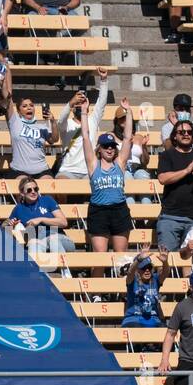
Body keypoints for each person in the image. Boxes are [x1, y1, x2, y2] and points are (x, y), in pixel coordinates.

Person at [155, 118, 193, 252]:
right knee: (166, 260)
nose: (186, 134)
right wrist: (186, 170)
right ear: (175, 136)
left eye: (189, 132)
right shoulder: (167, 155)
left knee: (189, 262)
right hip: (170, 217)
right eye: (182, 132)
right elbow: (162, 178)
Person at [83, 116, 134, 254]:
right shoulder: (93, 164)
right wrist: (83, 112)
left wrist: (128, 111)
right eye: (106, 146)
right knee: (100, 256)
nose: (110, 149)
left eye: (112, 146)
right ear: (99, 149)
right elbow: (86, 137)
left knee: (121, 256)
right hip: (98, 211)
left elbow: (128, 138)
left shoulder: (120, 162)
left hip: (119, 210)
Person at [0, 68, 59, 179]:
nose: (29, 108)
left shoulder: (41, 127)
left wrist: (53, 123)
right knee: (24, 186)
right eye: (24, 106)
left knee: (50, 185)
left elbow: (54, 140)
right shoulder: (15, 121)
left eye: (31, 105)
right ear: (19, 110)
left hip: (42, 170)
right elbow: (8, 98)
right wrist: (3, 84)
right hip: (20, 171)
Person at [55, 68, 110, 179]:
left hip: (89, 170)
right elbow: (60, 122)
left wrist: (103, 80)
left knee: (97, 184)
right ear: (73, 109)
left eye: (83, 103)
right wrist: (71, 103)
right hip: (68, 170)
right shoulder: (68, 124)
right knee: (60, 184)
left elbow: (102, 103)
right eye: (77, 105)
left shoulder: (92, 120)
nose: (80, 106)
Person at [6, 174, 73, 259]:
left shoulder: (47, 200)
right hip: (39, 241)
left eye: (36, 189)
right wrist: (12, 225)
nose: (33, 192)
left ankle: (65, 271)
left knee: (53, 240)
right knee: (33, 243)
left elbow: (63, 222)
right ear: (22, 193)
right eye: (29, 190)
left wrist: (41, 219)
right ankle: (37, 272)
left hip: (59, 237)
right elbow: (6, 228)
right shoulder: (18, 209)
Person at [121, 252, 170, 328]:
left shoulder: (155, 279)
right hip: (134, 318)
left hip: (153, 319)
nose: (147, 270)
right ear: (137, 270)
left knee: (166, 331)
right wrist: (138, 260)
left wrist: (165, 262)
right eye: (143, 268)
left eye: (149, 267)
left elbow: (165, 273)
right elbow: (130, 272)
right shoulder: (132, 280)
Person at [113, 108, 152, 204]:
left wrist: (143, 147)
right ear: (117, 121)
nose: (125, 121)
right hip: (121, 168)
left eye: (127, 118)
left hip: (138, 167)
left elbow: (145, 161)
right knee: (127, 177)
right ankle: (131, 213)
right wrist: (126, 145)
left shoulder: (138, 137)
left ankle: (147, 214)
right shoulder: (112, 136)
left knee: (143, 175)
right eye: (122, 118)